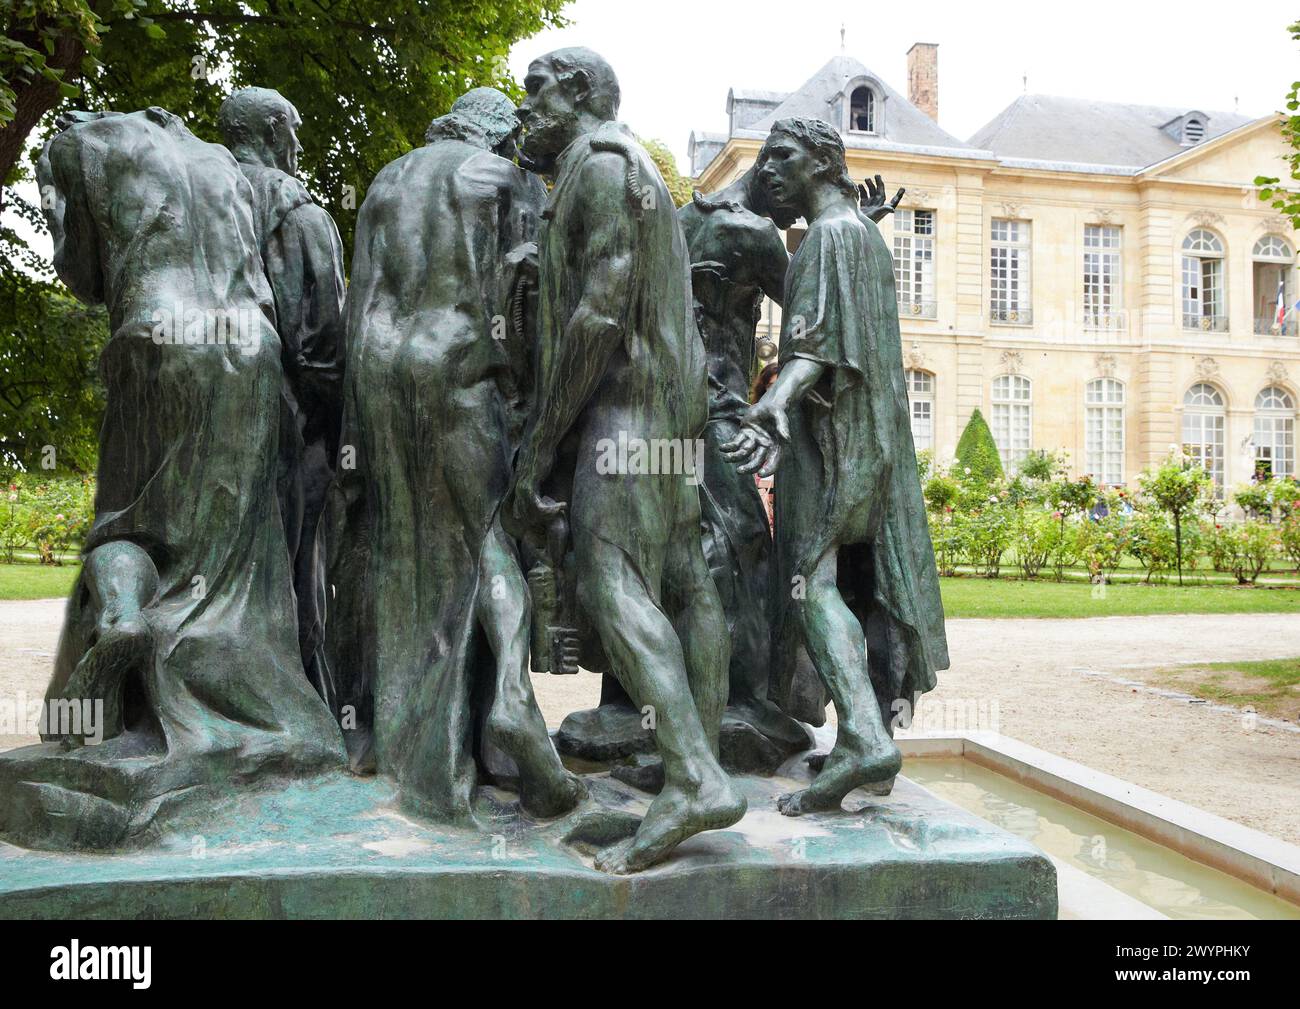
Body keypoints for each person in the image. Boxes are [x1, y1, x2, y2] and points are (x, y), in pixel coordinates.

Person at [0, 108, 345, 849]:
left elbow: (79, 269)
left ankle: (125, 626)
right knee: (233, 559)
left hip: (157, 333)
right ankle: (233, 704)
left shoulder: (80, 144)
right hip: (250, 349)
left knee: (129, 524)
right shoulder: (223, 164)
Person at [509, 47, 744, 872]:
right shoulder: (634, 167)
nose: (525, 106)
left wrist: (542, 440)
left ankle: (692, 776)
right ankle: (695, 764)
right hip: (669, 420)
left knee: (611, 582)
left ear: (578, 93)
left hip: (627, 418)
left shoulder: (600, 166)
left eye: (536, 90)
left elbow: (598, 314)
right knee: (683, 580)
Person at [330, 88, 583, 819]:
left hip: (382, 372)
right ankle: (508, 703)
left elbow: (363, 300)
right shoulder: (507, 181)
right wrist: (540, 407)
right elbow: (531, 301)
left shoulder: (386, 180)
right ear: (501, 133)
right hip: (462, 368)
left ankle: (388, 729)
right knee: (486, 539)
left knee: (396, 544)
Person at [722, 117, 948, 816]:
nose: (769, 171)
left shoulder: (828, 236)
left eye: (783, 157)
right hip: (869, 439)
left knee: (810, 582)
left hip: (830, 439)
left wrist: (772, 406)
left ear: (825, 161)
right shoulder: (860, 236)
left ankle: (864, 738)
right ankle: (872, 732)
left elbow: (817, 346)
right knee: (861, 584)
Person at [218, 87, 346, 703]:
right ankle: (298, 709)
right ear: (272, 128)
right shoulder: (298, 214)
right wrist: (336, 419)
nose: (298, 143)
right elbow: (321, 337)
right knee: (294, 569)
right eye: (293, 129)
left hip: (207, 415)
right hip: (287, 416)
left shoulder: (197, 198)